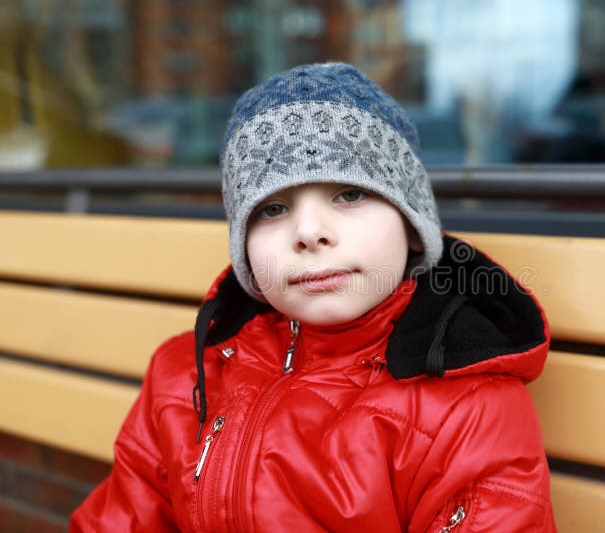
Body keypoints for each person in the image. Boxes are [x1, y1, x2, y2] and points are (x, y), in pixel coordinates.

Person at [70, 63, 555, 532]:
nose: (308, 232)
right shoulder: (185, 374)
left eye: (349, 194)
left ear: (412, 225)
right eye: (273, 208)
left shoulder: (467, 406)